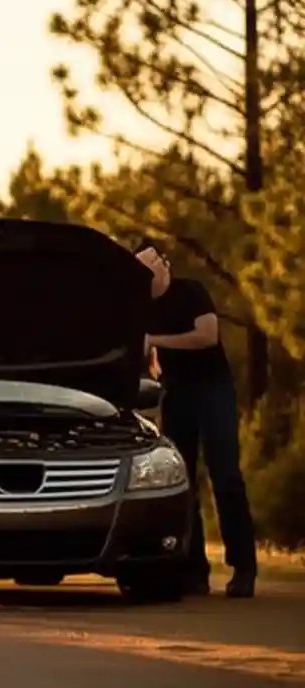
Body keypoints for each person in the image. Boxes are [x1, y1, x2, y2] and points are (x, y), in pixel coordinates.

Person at [134, 239, 257, 598]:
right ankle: (194, 569)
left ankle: (243, 566)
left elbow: (207, 336)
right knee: (182, 480)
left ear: (164, 264)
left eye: (151, 266)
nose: (147, 275)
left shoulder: (192, 292)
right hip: (176, 392)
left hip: (213, 389)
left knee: (226, 474)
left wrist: (154, 340)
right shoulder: (140, 308)